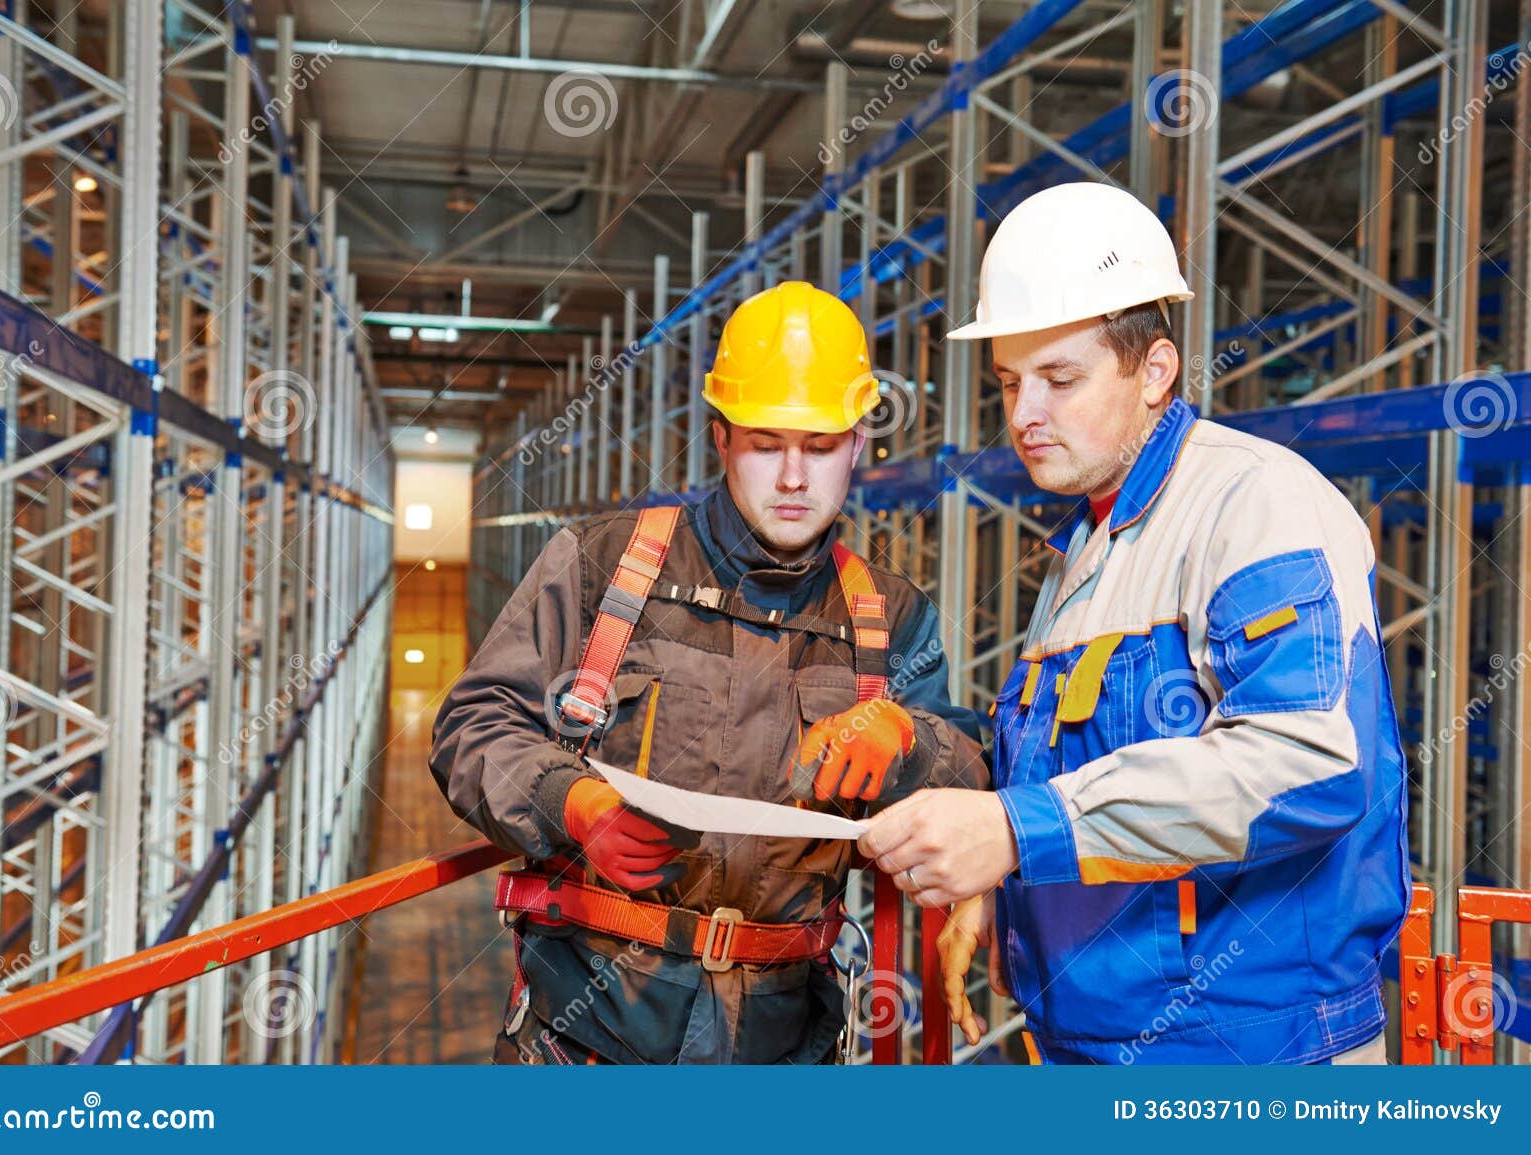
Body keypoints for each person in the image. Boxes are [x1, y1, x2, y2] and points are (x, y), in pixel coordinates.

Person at [858, 181, 1411, 1065]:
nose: (1024, 415)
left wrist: (1011, 831)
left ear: (1155, 370)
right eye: (1008, 382)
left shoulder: (1254, 502)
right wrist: (1001, 899)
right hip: (1086, 1042)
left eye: (1059, 379)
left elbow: (1309, 763)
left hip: (1251, 1054)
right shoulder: (1085, 547)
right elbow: (1076, 778)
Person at [429, 280, 989, 1064]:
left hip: (785, 1046)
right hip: (591, 1039)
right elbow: (474, 724)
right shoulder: (605, 565)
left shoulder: (889, 616)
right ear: (720, 438)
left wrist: (909, 738)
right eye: (766, 443)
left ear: (859, 445)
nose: (794, 478)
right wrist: (575, 803)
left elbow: (970, 781)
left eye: (821, 447)